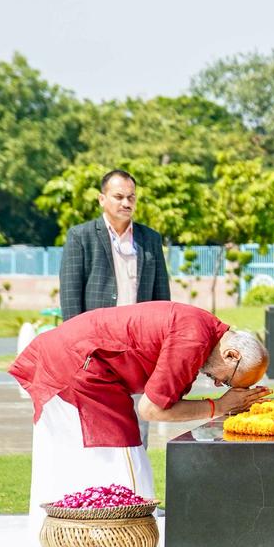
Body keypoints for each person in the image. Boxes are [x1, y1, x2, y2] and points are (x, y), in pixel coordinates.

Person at [9, 302, 271, 527]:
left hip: (63, 358)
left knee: (65, 467)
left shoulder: (202, 329)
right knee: (128, 470)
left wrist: (218, 404)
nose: (216, 384)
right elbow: (151, 409)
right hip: (77, 366)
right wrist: (220, 406)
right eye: (226, 381)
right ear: (231, 354)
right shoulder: (193, 338)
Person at [59, 169, 172, 448]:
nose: (126, 203)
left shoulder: (150, 239)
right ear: (102, 199)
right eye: (118, 196)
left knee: (138, 421)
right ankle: (101, 486)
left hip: (140, 348)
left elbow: (162, 297)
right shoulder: (81, 237)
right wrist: (77, 349)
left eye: (131, 197)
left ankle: (135, 487)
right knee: (98, 420)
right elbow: (71, 296)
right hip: (97, 347)